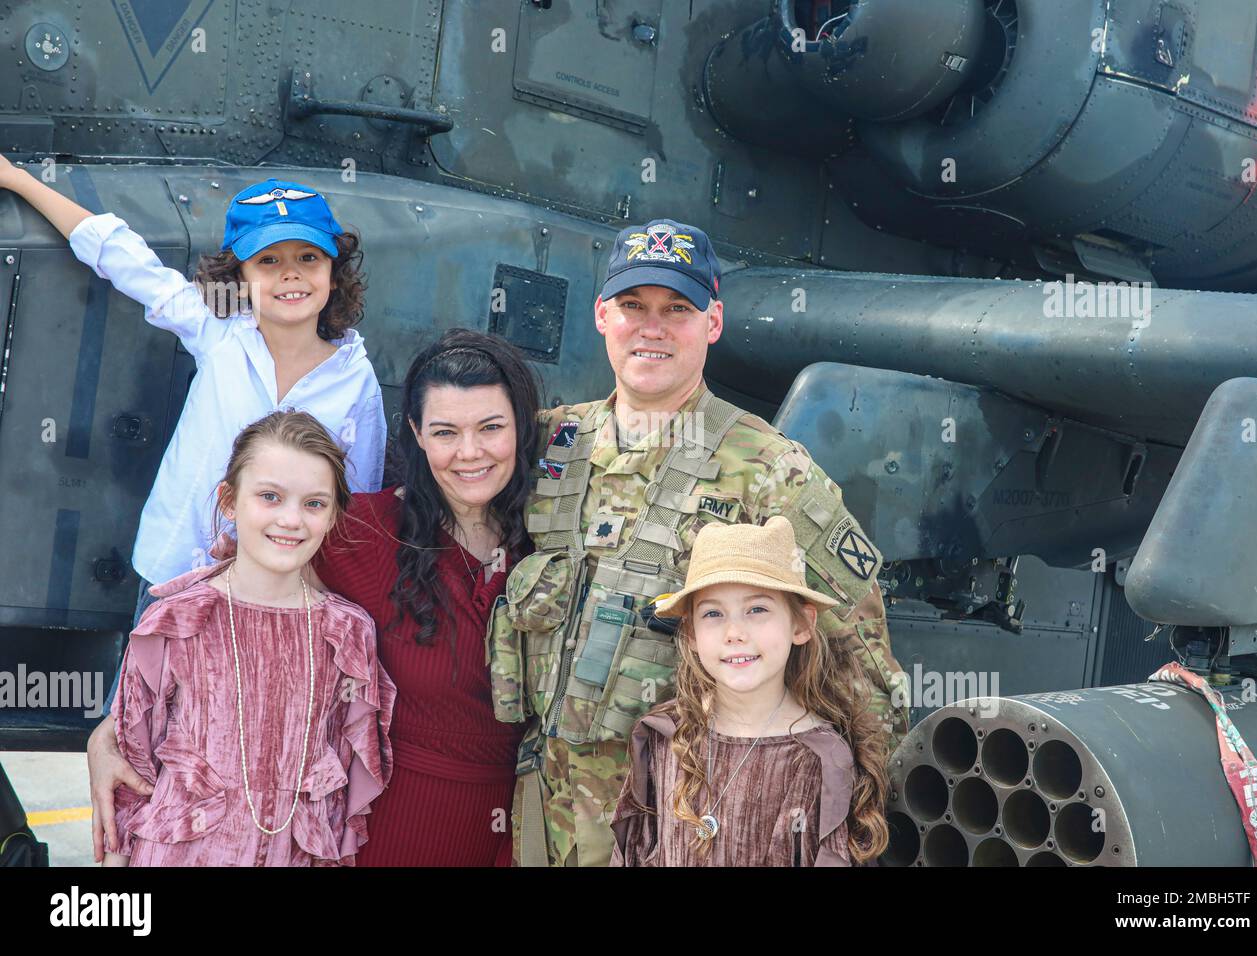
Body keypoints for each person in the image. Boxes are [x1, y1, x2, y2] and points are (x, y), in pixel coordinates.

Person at [494, 218, 909, 867]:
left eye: (677, 310)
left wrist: (828, 829)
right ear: (604, 314)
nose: (652, 327)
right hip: (541, 816)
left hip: (679, 825)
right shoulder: (551, 443)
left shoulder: (768, 469)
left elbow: (866, 668)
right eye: (634, 306)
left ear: (712, 321)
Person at [90, 330, 539, 866]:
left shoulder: (557, 539)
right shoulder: (362, 533)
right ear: (416, 433)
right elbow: (229, 604)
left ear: (522, 427)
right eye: (445, 431)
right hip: (390, 830)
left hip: (517, 828)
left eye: (491, 427)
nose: (470, 453)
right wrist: (109, 735)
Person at [0, 157, 386, 639]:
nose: (291, 275)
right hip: (177, 570)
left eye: (308, 258)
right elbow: (120, 256)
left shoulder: (356, 379)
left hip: (278, 591)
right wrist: (16, 178)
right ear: (240, 276)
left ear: (333, 271)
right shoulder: (218, 331)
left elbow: (359, 498)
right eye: (269, 260)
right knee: (141, 704)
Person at [103, 411, 394, 866]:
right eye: (270, 497)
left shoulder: (348, 633)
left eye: (314, 504)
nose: (291, 519)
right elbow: (132, 772)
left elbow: (343, 794)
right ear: (229, 501)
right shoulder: (174, 622)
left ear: (334, 514)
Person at [608, 516, 889, 866]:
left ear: (801, 625)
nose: (734, 631)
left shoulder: (822, 759)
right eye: (713, 613)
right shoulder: (663, 737)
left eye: (757, 609)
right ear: (692, 634)